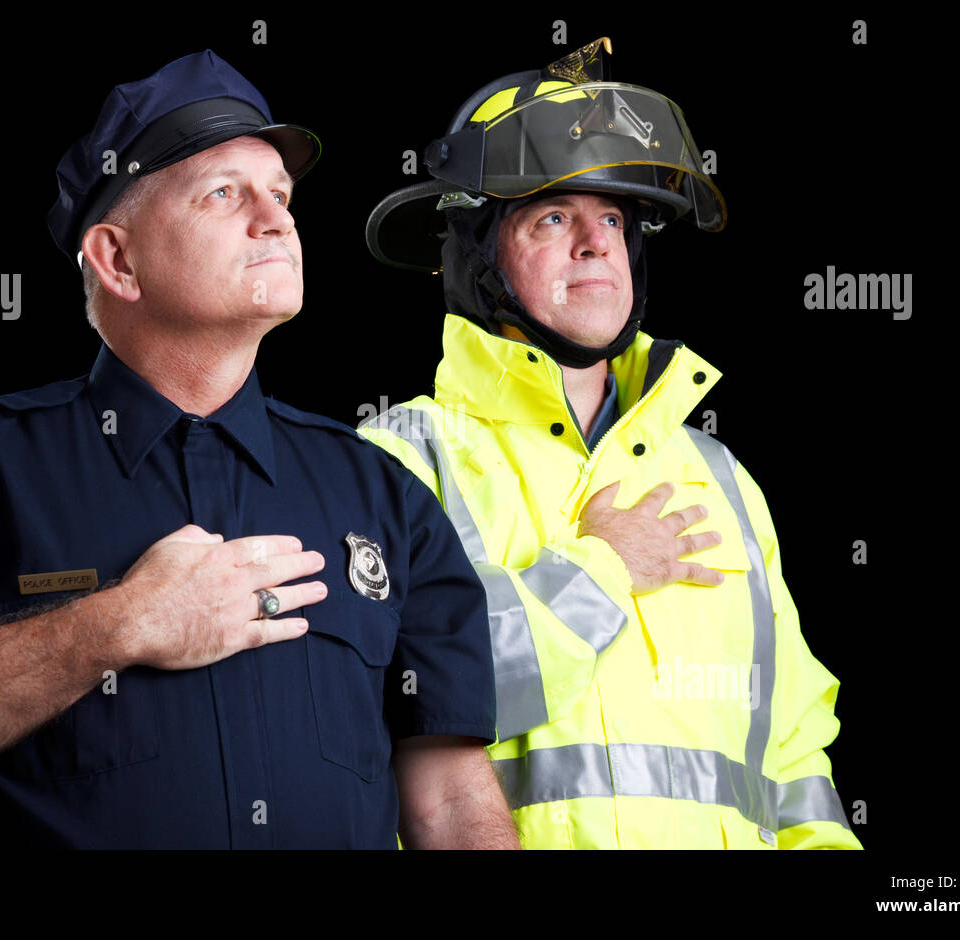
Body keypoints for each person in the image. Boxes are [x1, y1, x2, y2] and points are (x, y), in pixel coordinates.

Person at [0, 50, 517, 850]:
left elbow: (448, 801)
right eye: (224, 193)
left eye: (280, 194)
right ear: (117, 259)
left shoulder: (385, 494)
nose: (276, 219)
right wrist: (115, 626)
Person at [359, 38, 862, 849]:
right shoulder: (397, 460)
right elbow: (396, 701)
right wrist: (600, 572)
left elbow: (797, 756)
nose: (596, 244)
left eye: (615, 221)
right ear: (477, 256)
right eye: (554, 217)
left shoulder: (722, 478)